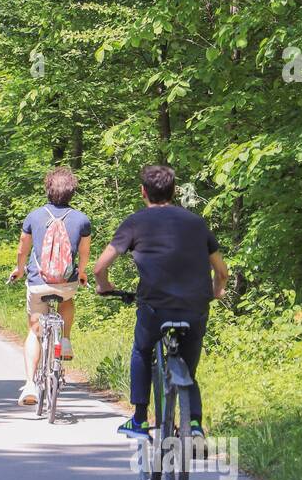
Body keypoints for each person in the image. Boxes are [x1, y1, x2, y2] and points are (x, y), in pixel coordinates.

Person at [94, 164, 229, 440]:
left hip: (155, 308)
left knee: (142, 351)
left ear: (143, 191)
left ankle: (140, 420)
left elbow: (99, 267)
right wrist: (216, 291)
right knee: (189, 369)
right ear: (174, 190)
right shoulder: (195, 222)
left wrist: (104, 286)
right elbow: (222, 271)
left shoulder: (135, 222)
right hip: (195, 308)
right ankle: (194, 425)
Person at [9, 167, 93, 405]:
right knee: (67, 299)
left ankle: (30, 385)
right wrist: (83, 273)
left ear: (48, 189)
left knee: (34, 332)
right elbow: (84, 253)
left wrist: (19, 269)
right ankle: (65, 339)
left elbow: (22, 250)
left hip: (38, 283)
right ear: (72, 192)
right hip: (66, 283)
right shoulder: (82, 219)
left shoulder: (34, 216)